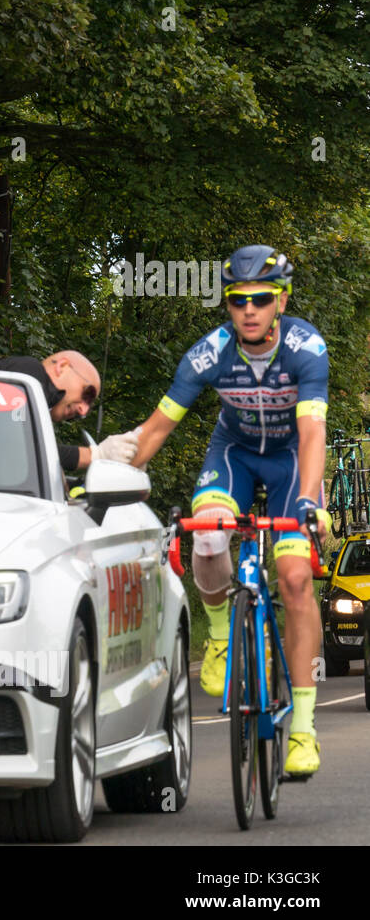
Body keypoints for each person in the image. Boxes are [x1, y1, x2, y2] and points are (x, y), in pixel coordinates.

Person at [127, 245, 330, 775]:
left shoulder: (307, 349)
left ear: (280, 300)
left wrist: (310, 500)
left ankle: (303, 731)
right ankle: (220, 632)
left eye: (261, 299)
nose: (249, 310)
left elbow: (312, 434)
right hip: (234, 455)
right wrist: (117, 485)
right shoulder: (208, 354)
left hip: (290, 465)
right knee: (211, 536)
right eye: (238, 300)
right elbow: (156, 430)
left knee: (293, 580)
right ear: (228, 305)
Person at [0, 351, 140, 471]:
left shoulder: (37, 418)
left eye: (90, 405)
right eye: (88, 394)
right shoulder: (30, 371)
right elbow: (16, 449)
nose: (83, 410)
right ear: (62, 367)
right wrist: (96, 455)